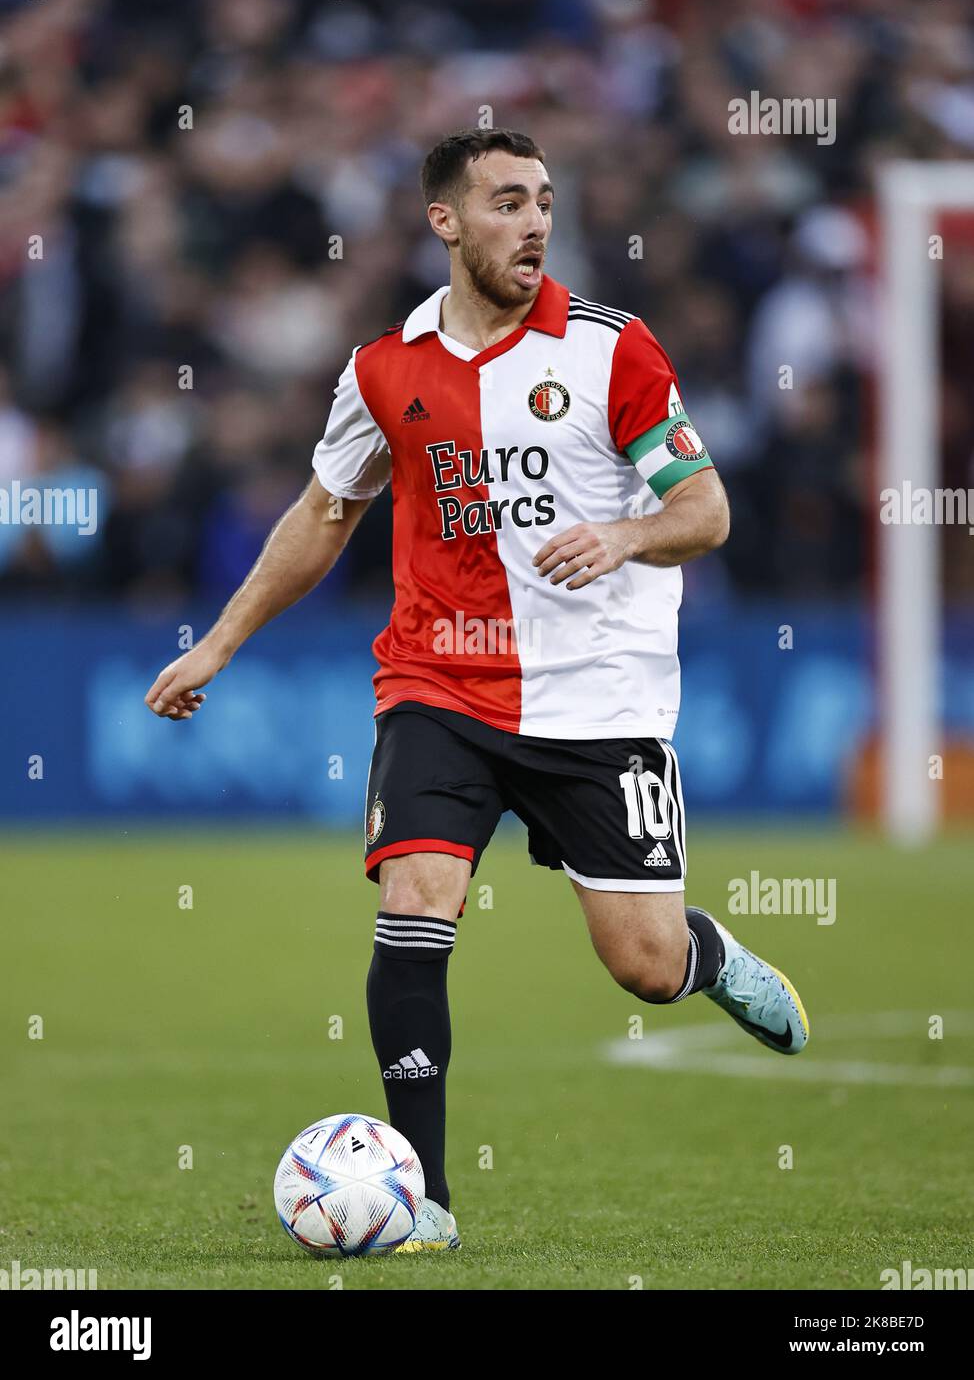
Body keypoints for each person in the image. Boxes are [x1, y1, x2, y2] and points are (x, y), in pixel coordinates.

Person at [145, 128, 809, 1254]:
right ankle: (426, 1200)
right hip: (436, 681)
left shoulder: (614, 351)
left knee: (641, 969)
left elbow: (706, 513)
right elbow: (323, 514)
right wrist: (218, 643)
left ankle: (710, 958)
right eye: (506, 202)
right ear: (444, 221)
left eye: (545, 200)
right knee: (412, 902)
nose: (535, 223)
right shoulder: (382, 368)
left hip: (599, 703)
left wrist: (623, 533)